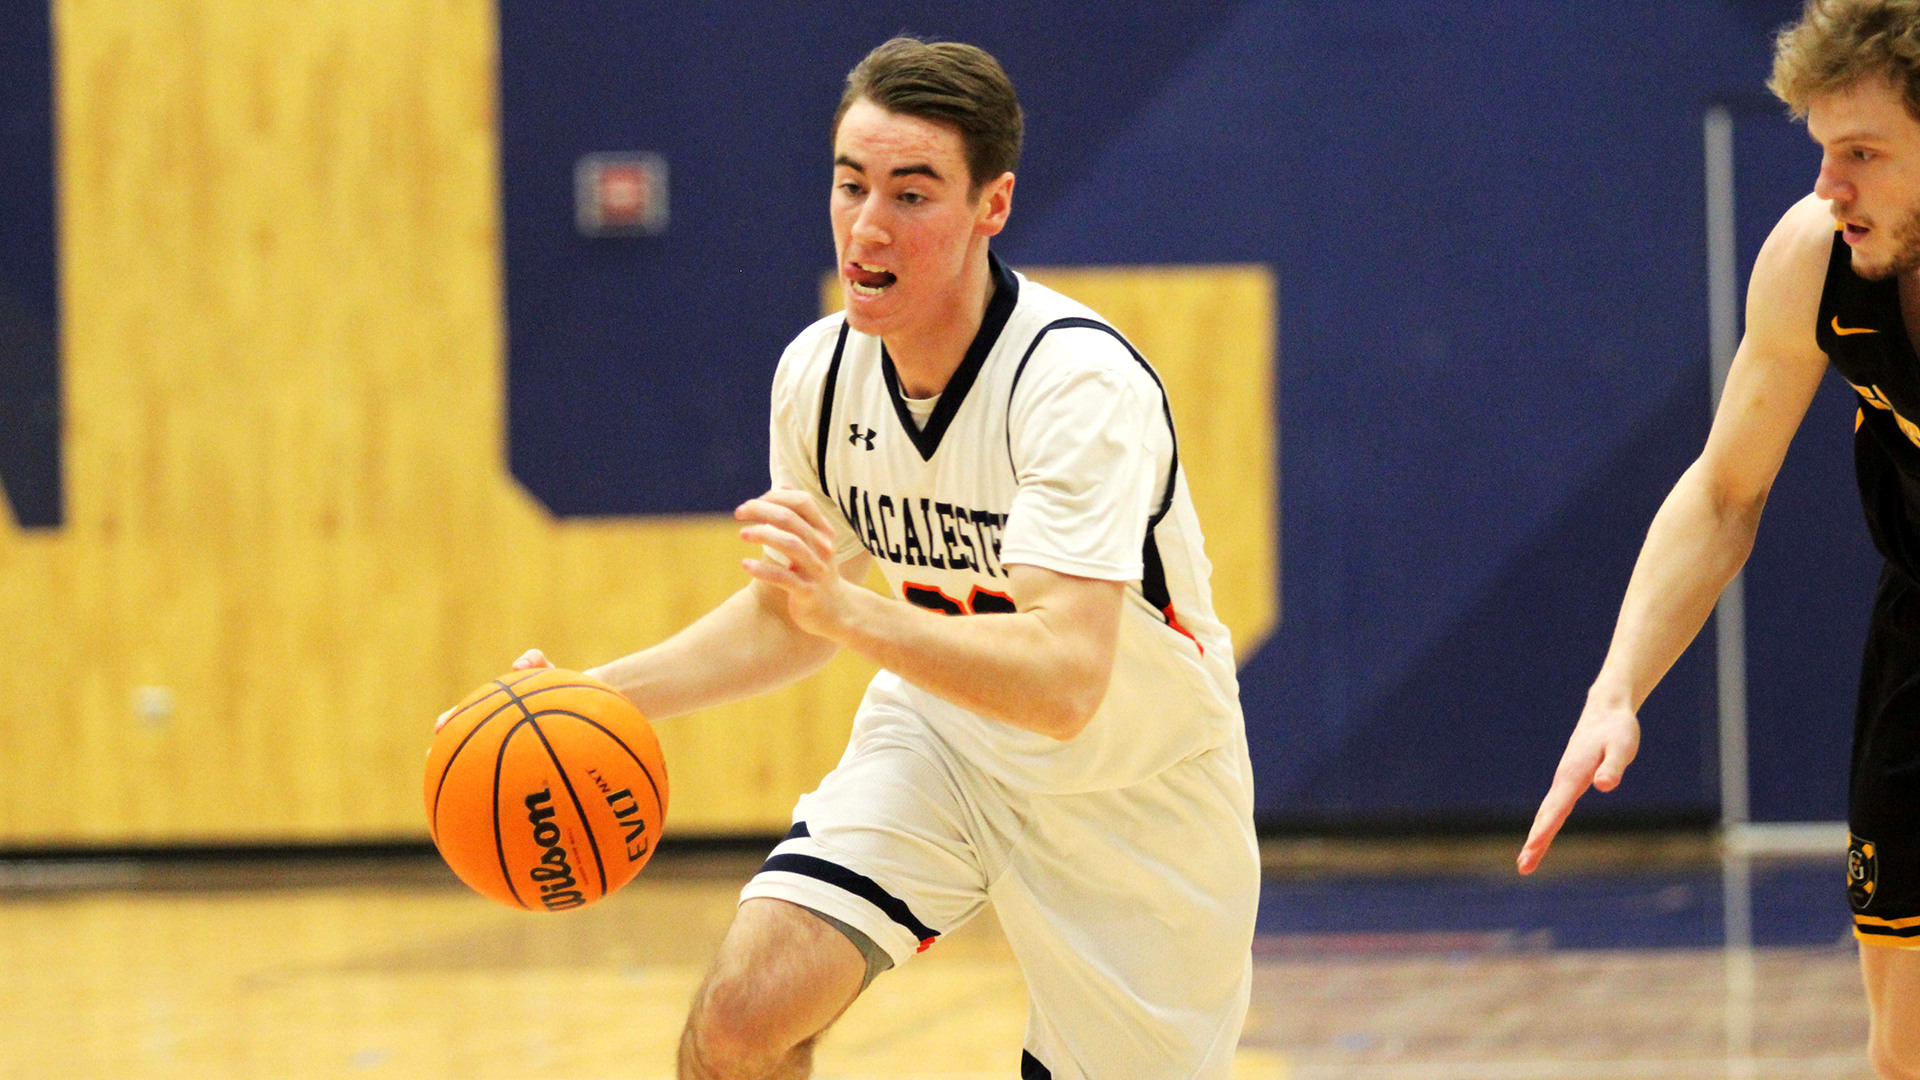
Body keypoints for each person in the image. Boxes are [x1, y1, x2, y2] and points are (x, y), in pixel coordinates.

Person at [445, 37, 1259, 1080]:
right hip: (946, 745)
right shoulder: (820, 378)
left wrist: (848, 613)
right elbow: (790, 618)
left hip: (1135, 784)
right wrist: (579, 701)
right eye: (851, 184)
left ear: (991, 206)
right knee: (740, 1024)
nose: (868, 227)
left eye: (912, 195)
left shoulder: (1075, 388)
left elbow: (1063, 683)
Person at [1517, 2, 1920, 1075]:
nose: (1832, 186)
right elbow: (1724, 491)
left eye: (1865, 154)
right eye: (1824, 153)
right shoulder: (1814, 260)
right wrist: (1617, 686)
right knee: (1905, 1046)